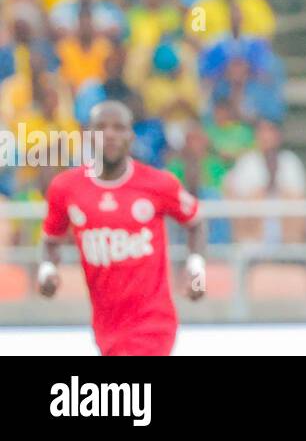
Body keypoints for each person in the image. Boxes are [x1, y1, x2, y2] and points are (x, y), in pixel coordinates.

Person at [38, 100, 206, 356]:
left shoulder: (158, 184)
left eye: (119, 128)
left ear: (131, 135)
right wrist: (48, 270)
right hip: (106, 325)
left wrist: (195, 267)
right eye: (101, 127)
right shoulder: (66, 188)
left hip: (152, 324)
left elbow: (195, 222)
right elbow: (51, 238)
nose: (110, 135)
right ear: (87, 134)